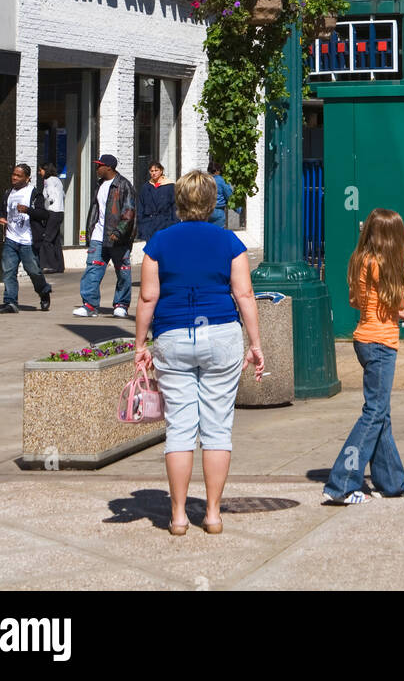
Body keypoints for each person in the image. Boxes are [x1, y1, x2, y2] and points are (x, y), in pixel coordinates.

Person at [134, 169, 265, 535]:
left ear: (178, 203)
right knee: (217, 428)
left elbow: (147, 297)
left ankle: (177, 516)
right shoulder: (230, 243)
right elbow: (244, 296)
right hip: (221, 334)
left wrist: (140, 344)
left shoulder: (158, 243)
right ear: (211, 203)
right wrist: (255, 345)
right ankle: (212, 514)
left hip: (173, 335)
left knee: (179, 428)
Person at [321, 208, 404, 504]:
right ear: (393, 238)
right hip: (381, 343)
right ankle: (341, 483)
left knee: (381, 414)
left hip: (364, 338)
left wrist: (393, 312)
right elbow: (398, 296)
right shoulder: (385, 264)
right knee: (374, 413)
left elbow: (359, 301)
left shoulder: (361, 260)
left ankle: (392, 483)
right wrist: (401, 265)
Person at [72, 154, 136, 318]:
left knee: (122, 271)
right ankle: (89, 305)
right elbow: (97, 211)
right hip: (98, 235)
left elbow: (129, 212)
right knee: (92, 269)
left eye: (99, 165)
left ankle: (121, 305)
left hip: (117, 238)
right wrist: (91, 231)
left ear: (109, 167)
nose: (96, 169)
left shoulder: (123, 185)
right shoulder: (100, 185)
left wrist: (119, 232)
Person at [0, 164, 52, 313]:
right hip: (11, 239)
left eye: (18, 175)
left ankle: (44, 291)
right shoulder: (8, 193)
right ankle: (10, 302)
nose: (14, 177)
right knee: (9, 272)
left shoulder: (34, 194)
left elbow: (45, 214)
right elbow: (3, 210)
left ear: (27, 178)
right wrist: (1, 218)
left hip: (28, 241)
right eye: (13, 174)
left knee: (33, 271)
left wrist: (28, 210)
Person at [36, 162, 65, 273]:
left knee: (47, 239)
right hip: (60, 212)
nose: (40, 173)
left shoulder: (48, 181)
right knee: (55, 240)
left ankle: (50, 265)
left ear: (46, 170)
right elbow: (62, 194)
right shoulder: (57, 180)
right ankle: (59, 266)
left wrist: (46, 204)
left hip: (52, 212)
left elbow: (51, 196)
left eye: (41, 170)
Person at [137, 161, 177, 242]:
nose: (154, 173)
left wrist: (174, 224)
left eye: (156, 170)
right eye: (152, 171)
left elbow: (175, 207)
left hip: (165, 224)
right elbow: (140, 207)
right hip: (149, 225)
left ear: (161, 171)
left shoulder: (170, 186)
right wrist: (141, 225)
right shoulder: (145, 187)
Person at [207, 160, 234, 228]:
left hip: (205, 211)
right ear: (217, 170)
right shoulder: (221, 180)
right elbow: (229, 195)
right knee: (218, 235)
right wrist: (238, 208)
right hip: (218, 211)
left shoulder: (205, 179)